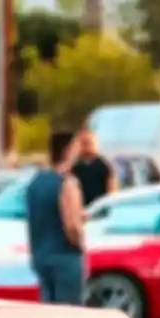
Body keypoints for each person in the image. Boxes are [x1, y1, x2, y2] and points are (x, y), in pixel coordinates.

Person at [26, 132, 86, 304]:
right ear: (67, 151)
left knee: (49, 312)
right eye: (76, 147)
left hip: (41, 257)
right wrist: (80, 243)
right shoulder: (67, 182)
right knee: (69, 315)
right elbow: (71, 224)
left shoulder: (36, 182)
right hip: (65, 258)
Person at [70, 129, 116, 207]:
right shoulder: (74, 166)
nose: (86, 146)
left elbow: (112, 188)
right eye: (83, 143)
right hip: (79, 207)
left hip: (100, 206)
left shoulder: (104, 164)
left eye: (88, 142)